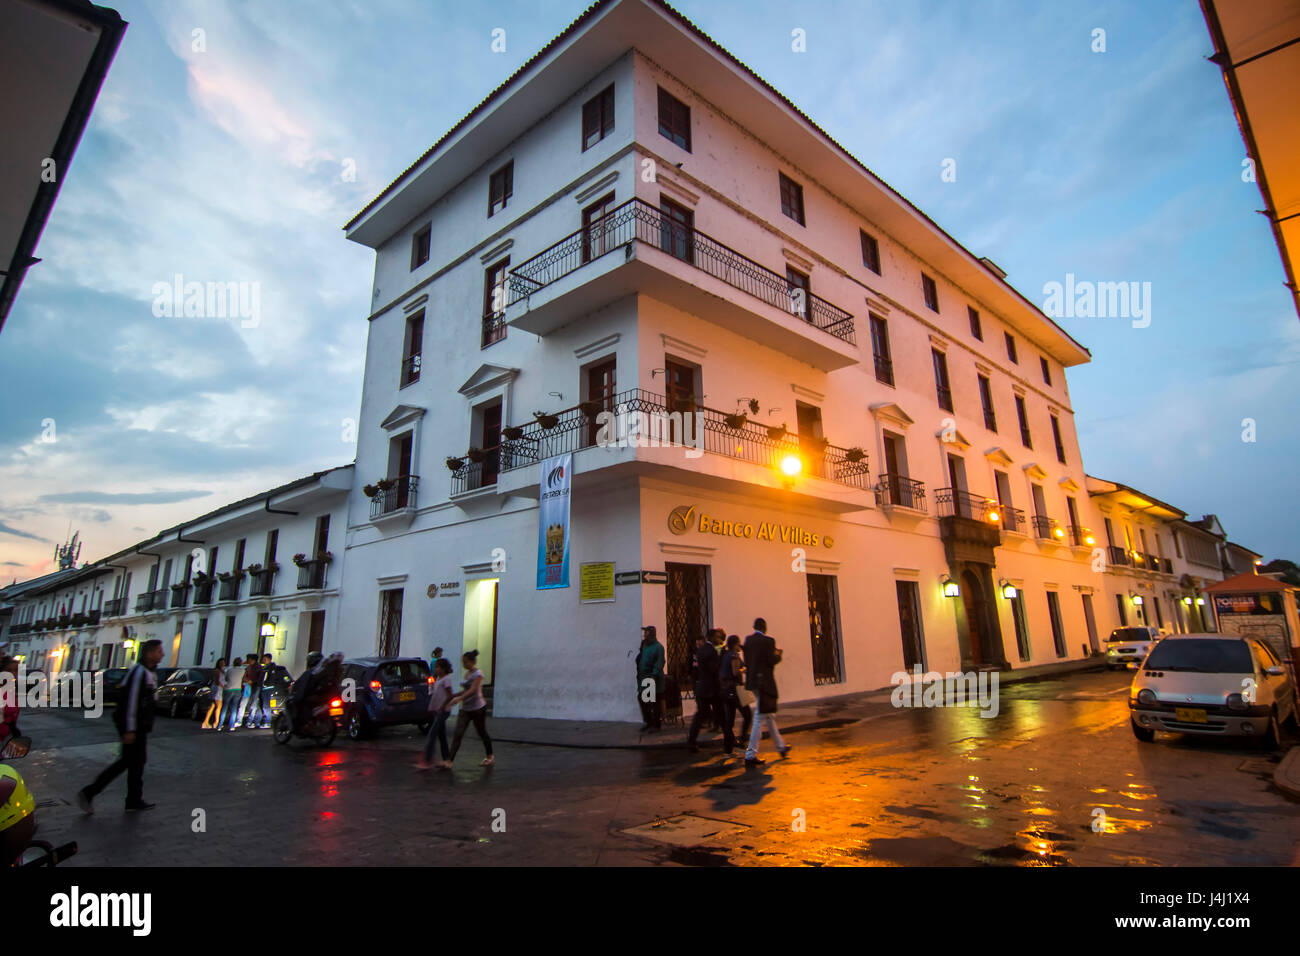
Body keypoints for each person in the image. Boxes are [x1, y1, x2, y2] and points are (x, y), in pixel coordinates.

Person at [78, 639, 163, 813]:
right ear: (149, 653)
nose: (162, 654)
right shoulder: (139, 673)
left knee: (136, 763)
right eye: (159, 651)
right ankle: (90, 792)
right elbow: (131, 702)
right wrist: (130, 729)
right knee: (127, 762)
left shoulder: (149, 672)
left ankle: (133, 799)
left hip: (139, 725)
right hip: (132, 725)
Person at [743, 618, 789, 766]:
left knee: (768, 716)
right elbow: (771, 660)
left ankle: (781, 746)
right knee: (760, 717)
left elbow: (748, 661)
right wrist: (778, 655)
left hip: (753, 682)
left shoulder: (748, 640)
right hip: (764, 683)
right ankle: (750, 754)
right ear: (764, 628)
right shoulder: (768, 641)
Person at [448, 650, 493, 766]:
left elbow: (473, 690)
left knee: (481, 732)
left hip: (478, 708)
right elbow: (466, 690)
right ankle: (449, 760)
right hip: (466, 709)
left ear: (472, 661)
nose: (464, 665)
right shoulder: (467, 674)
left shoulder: (478, 674)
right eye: (463, 662)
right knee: (458, 733)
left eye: (466, 662)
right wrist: (455, 695)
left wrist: (459, 698)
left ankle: (490, 756)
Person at [687, 631, 730, 753]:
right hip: (713, 689)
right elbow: (714, 670)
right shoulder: (711, 651)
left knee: (700, 716)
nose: (719, 638)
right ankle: (729, 743)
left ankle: (691, 741)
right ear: (711, 637)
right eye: (717, 637)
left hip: (703, 688)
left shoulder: (701, 650)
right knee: (721, 716)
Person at [415, 658, 455, 770]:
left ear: (443, 669)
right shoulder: (438, 679)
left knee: (432, 734)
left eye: (437, 667)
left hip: (443, 711)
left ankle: (426, 761)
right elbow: (435, 694)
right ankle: (447, 760)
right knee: (442, 736)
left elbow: (450, 695)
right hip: (438, 711)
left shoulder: (446, 679)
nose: (435, 669)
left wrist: (443, 705)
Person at [718, 634, 751, 755]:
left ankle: (728, 747)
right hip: (735, 689)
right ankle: (742, 739)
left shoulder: (725, 655)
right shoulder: (734, 655)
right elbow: (735, 671)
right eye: (738, 643)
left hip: (726, 690)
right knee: (747, 714)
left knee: (729, 720)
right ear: (735, 644)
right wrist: (744, 670)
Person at [636, 626, 664, 732]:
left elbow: (660, 663)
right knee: (644, 700)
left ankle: (656, 724)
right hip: (644, 678)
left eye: (647, 633)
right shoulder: (646, 646)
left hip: (652, 678)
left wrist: (654, 675)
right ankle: (649, 721)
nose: (645, 636)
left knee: (654, 702)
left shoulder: (658, 647)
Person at [219, 657, 246, 732]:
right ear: (240, 663)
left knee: (224, 707)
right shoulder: (243, 671)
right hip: (237, 690)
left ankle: (220, 725)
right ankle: (231, 726)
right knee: (234, 708)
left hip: (228, 689)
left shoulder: (229, 670)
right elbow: (243, 680)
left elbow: (226, 679)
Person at [0, 655, 20, 747]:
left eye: (16, 670)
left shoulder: (10, 690)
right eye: (9, 670)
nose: (13, 673)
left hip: (5, 738)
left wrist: (13, 728)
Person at [201, 657, 227, 729]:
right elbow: (217, 681)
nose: (222, 664)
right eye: (221, 662)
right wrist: (224, 687)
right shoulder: (217, 671)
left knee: (212, 706)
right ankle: (216, 722)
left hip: (217, 688)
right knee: (219, 706)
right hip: (218, 689)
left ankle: (205, 722)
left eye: (223, 662)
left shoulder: (223, 671)